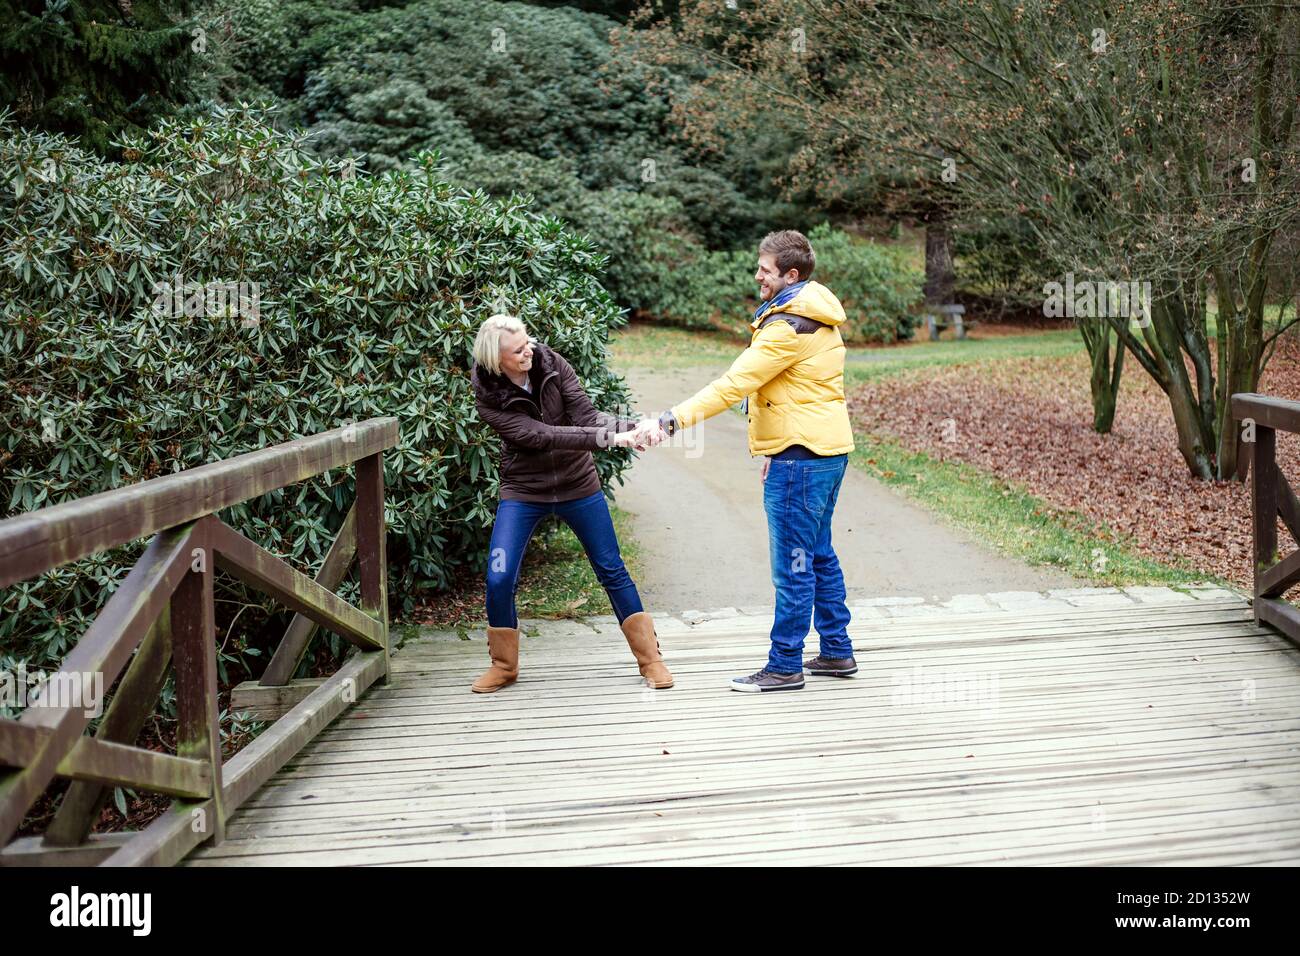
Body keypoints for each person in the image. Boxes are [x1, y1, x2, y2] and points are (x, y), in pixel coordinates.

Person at [638, 229, 857, 692]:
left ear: (790, 274)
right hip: (824, 452)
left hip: (801, 460)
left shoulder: (785, 327)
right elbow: (800, 391)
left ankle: (784, 665)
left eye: (765, 269)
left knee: (793, 564)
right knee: (817, 554)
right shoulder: (816, 315)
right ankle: (837, 652)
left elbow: (731, 386)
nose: (757, 275)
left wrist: (670, 420)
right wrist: (776, 446)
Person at [469, 314, 673, 694]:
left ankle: (651, 660)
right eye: (518, 350)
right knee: (499, 574)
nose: (528, 350)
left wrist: (633, 428)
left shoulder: (551, 362)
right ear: (497, 361)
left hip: (578, 484)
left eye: (528, 341)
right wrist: (610, 440)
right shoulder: (488, 396)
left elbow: (586, 416)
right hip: (524, 491)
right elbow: (541, 436)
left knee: (611, 567)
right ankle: (504, 666)